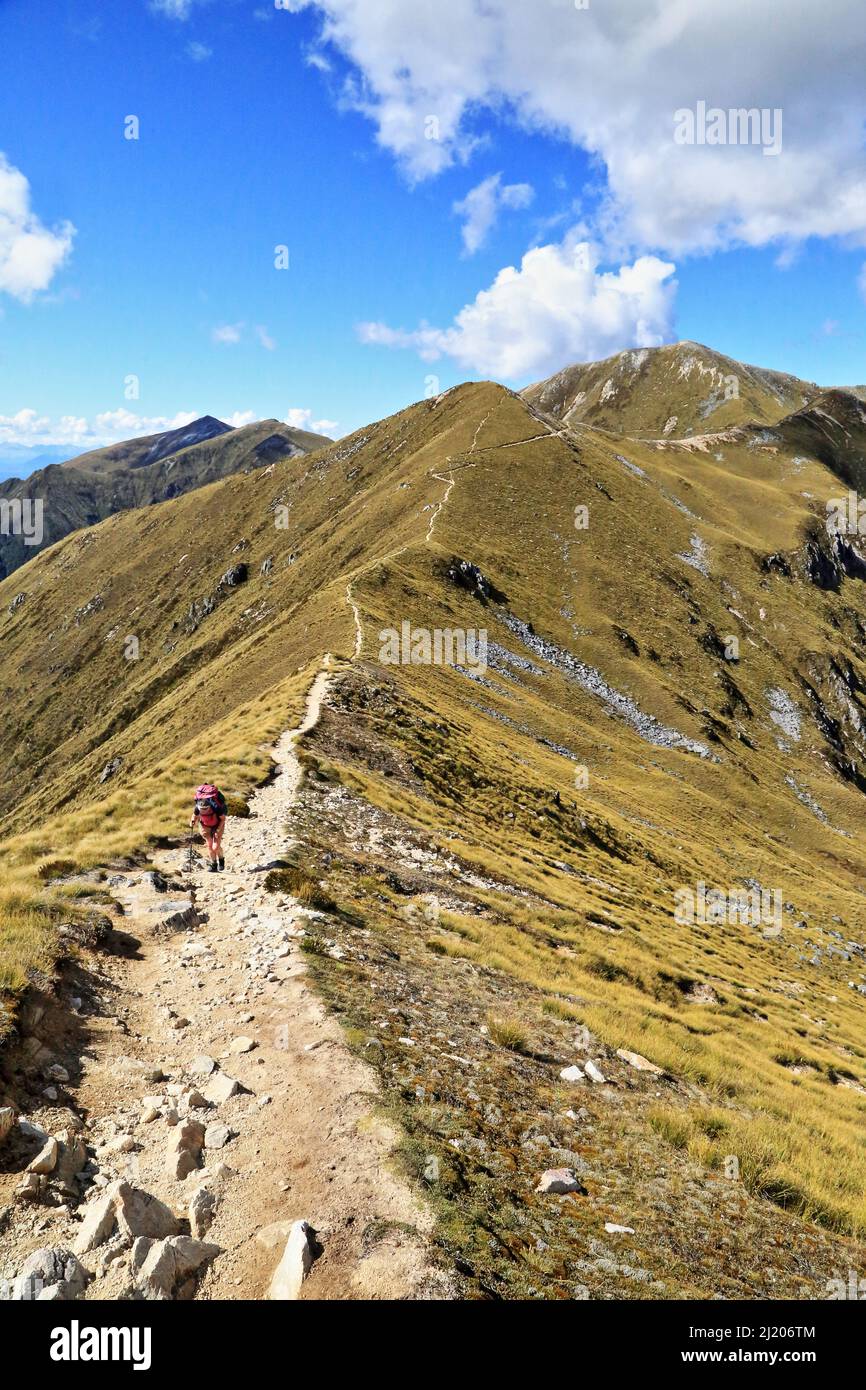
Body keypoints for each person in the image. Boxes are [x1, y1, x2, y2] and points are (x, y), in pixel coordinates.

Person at [190, 783, 227, 872]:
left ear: (209, 806)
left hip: (217, 824)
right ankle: (213, 864)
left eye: (205, 809)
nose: (202, 810)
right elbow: (194, 816)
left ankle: (221, 859)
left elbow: (223, 819)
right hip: (204, 825)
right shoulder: (198, 807)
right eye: (201, 809)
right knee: (210, 846)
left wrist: (218, 830)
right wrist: (192, 822)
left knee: (216, 847)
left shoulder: (216, 807)